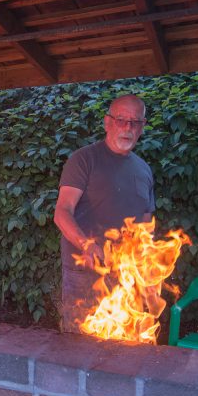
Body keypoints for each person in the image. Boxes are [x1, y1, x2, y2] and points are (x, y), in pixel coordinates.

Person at [53, 95, 155, 333]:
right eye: (121, 119)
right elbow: (62, 212)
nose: (127, 127)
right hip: (86, 274)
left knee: (125, 344)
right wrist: (86, 244)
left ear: (143, 126)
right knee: (81, 346)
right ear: (107, 122)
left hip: (127, 275)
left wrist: (146, 263)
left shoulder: (144, 169)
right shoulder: (83, 159)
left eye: (135, 121)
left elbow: (147, 222)